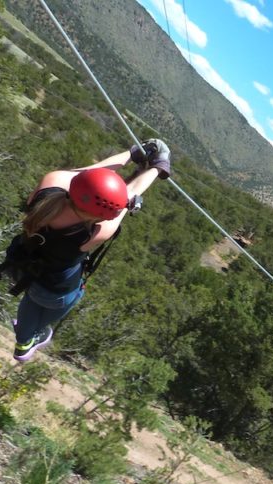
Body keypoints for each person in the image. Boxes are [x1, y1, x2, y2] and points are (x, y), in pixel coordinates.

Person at [10, 139, 171, 361]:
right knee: (45, 306)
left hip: (23, 265)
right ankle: (29, 337)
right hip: (56, 292)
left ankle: (25, 339)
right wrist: (159, 166)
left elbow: (93, 172)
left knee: (31, 300)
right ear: (103, 214)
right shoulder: (97, 232)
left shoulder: (51, 183)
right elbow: (131, 192)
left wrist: (133, 153)